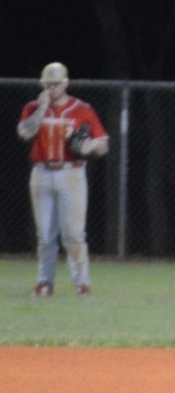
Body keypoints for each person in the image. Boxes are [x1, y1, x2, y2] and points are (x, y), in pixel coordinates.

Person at [17, 62, 109, 297]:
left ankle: (82, 284)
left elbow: (103, 144)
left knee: (74, 234)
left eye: (57, 83)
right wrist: (42, 106)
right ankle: (44, 283)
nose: (52, 87)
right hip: (41, 172)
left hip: (71, 172)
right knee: (45, 234)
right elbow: (25, 132)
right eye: (48, 83)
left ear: (66, 83)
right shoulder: (32, 107)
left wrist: (89, 145)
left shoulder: (82, 109)